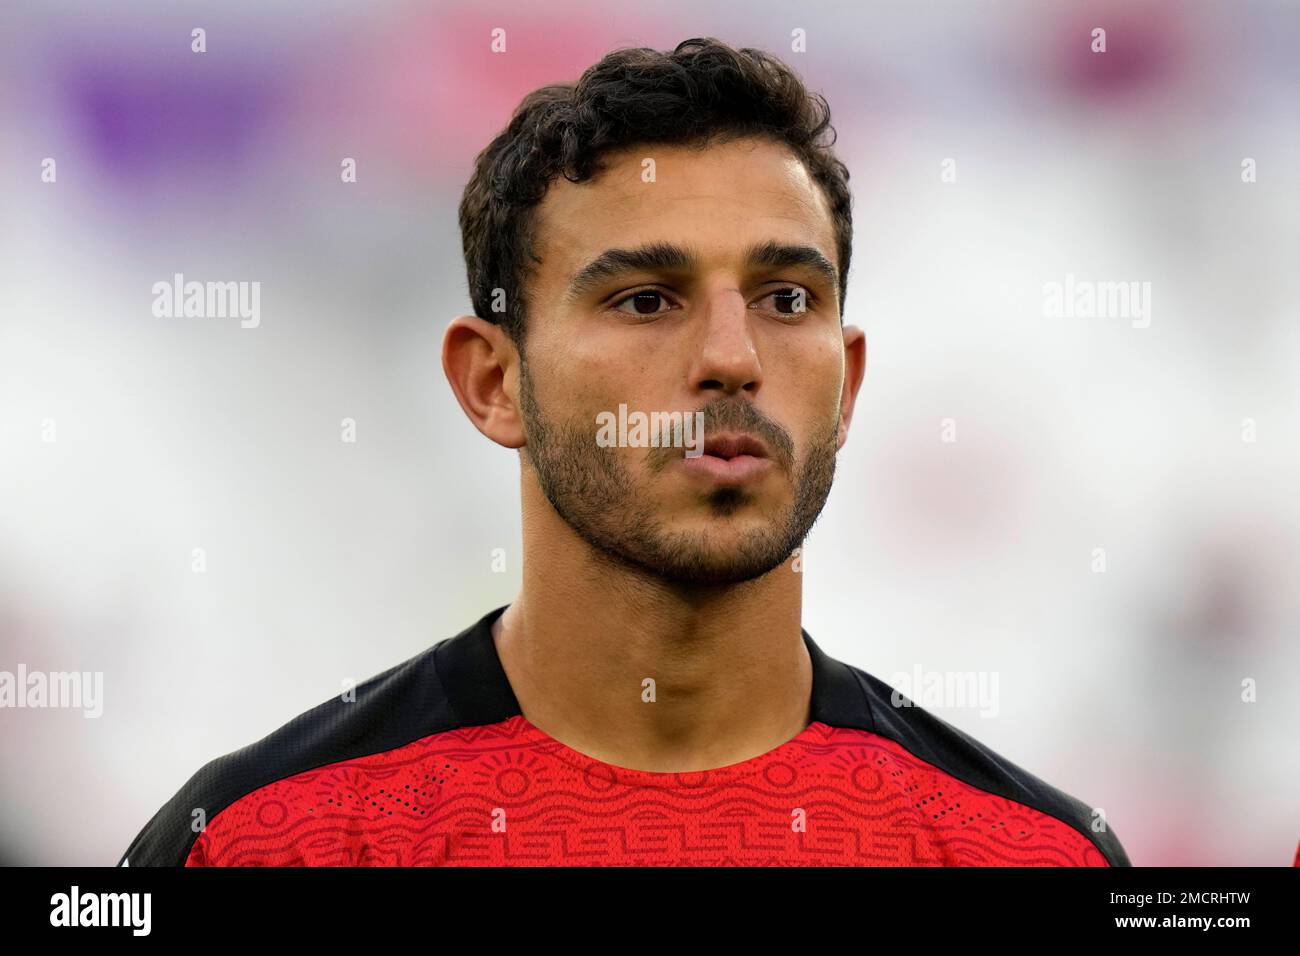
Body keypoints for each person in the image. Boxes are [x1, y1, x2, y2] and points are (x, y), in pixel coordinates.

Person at [119, 37, 1129, 867]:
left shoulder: (1026, 852)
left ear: (849, 381)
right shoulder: (265, 842)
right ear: (492, 382)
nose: (732, 358)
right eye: (646, 299)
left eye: (785, 299)